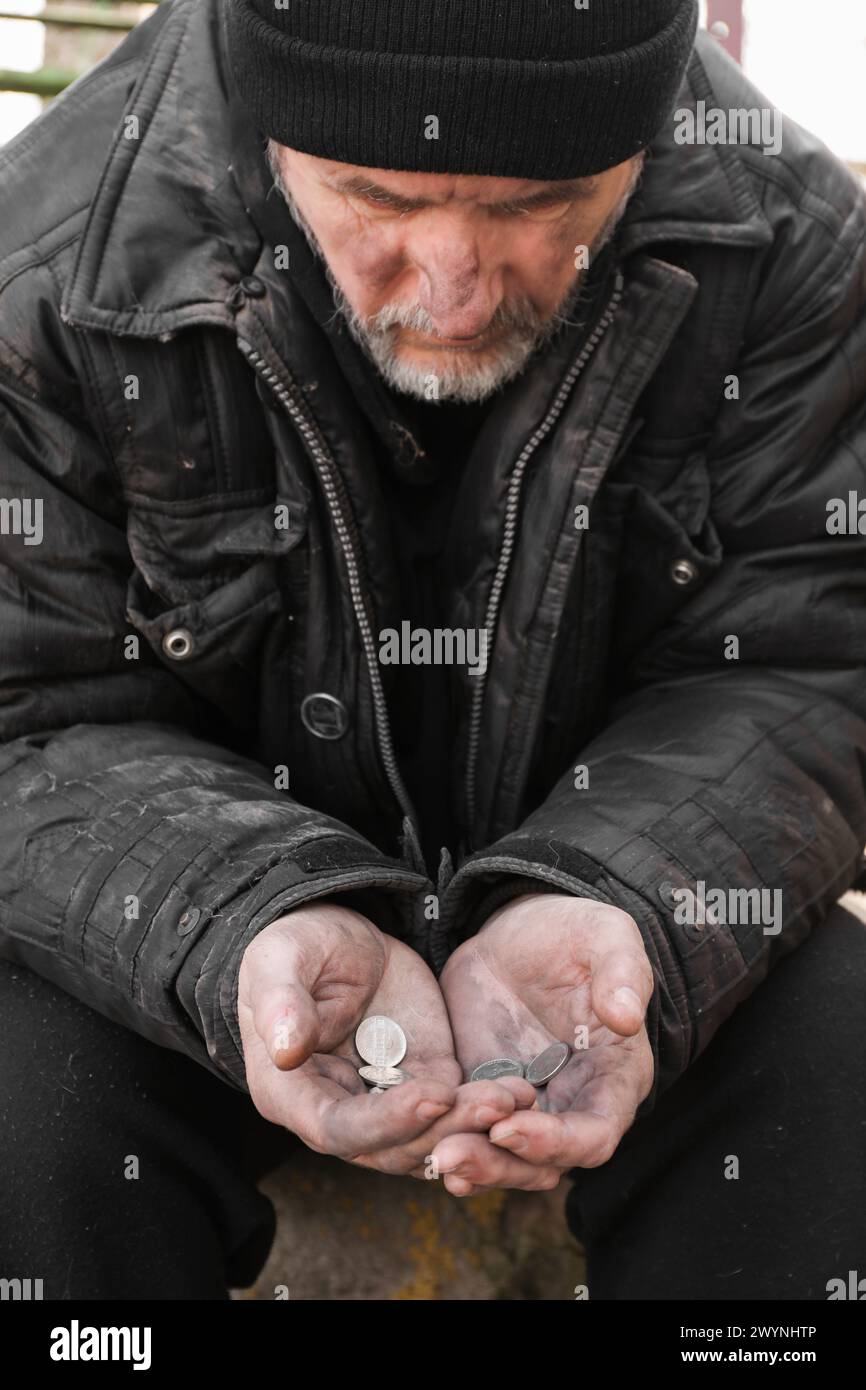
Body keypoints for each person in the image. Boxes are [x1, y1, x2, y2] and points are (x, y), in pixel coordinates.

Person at [0, 0, 864, 1301]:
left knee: (839, 1064)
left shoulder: (792, 239)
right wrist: (247, 921)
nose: (451, 288)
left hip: (623, 897)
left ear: (642, 144)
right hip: (190, 915)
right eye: (376, 197)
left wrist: (615, 896)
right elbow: (23, 706)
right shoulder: (47, 258)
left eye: (542, 203)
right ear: (271, 135)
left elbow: (808, 658)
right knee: (25, 1117)